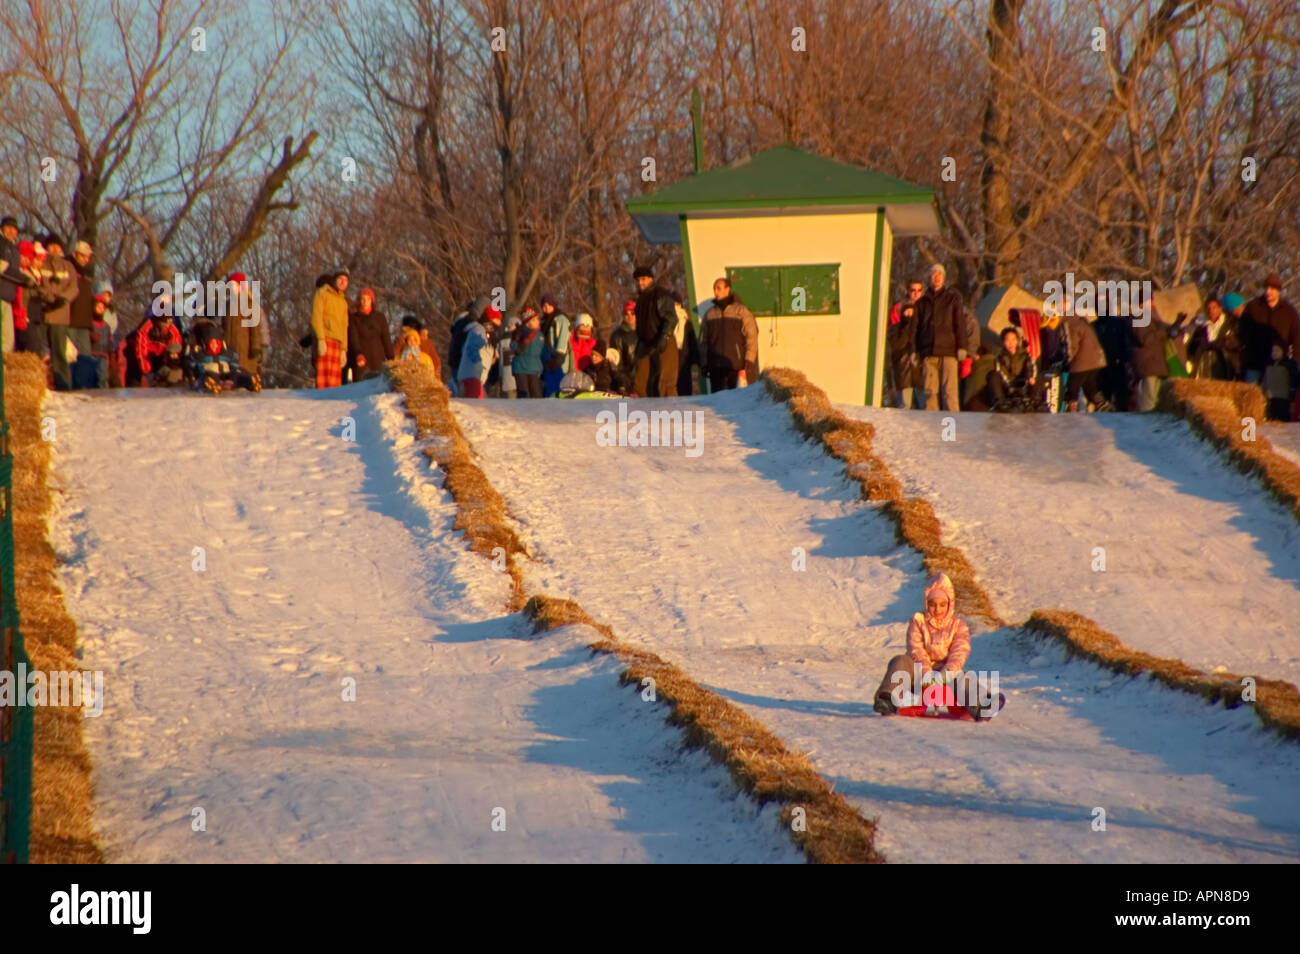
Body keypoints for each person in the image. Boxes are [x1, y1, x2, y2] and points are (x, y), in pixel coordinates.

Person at [872, 573, 999, 720]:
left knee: (961, 676)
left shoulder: (958, 626)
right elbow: (916, 648)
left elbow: (960, 650)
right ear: (927, 604)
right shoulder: (918, 621)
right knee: (900, 660)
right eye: (933, 604)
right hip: (920, 672)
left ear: (950, 604)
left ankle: (982, 705)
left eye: (942, 605)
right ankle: (886, 699)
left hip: (947, 673)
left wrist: (948, 671)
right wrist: (926, 672)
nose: (938, 609)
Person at [914, 263, 966, 411]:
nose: (937, 278)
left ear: (944, 278)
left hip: (949, 351)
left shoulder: (952, 299)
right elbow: (916, 330)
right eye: (934, 274)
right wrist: (915, 350)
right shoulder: (922, 303)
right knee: (930, 393)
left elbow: (960, 324)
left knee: (950, 393)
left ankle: (952, 427)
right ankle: (932, 427)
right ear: (930, 278)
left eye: (940, 274)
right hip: (929, 353)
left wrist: (962, 346)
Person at [1241, 273, 1299, 385]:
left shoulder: (1289, 312)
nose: (1268, 292)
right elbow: (1243, 333)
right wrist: (1246, 355)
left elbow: (1297, 339)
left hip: (1278, 365)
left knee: (1276, 399)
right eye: (1266, 288)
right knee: (1251, 399)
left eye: (1272, 289)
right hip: (1254, 364)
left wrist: (1295, 362)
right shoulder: (1253, 307)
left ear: (1278, 291)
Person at [703, 276, 759, 392]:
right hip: (715, 366)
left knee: (735, 402)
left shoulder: (741, 311)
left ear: (727, 289)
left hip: (735, 366)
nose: (715, 292)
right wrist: (704, 362)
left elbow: (752, 335)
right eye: (714, 289)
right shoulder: (710, 314)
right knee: (716, 403)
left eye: (718, 288)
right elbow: (703, 341)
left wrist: (749, 359)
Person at [38, 235, 80, 390]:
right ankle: (43, 384)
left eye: (57, 246)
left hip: (61, 314)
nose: (54, 249)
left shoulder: (68, 266)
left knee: (59, 352)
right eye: (51, 246)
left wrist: (63, 299)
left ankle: (63, 384)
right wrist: (49, 298)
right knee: (41, 352)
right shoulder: (41, 263)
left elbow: (74, 287)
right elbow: (39, 283)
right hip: (43, 312)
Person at [632, 265, 679, 397]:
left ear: (651, 279)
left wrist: (663, 337)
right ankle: (643, 414)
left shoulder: (660, 294)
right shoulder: (641, 299)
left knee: (665, 384)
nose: (640, 283)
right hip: (646, 343)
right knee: (640, 384)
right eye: (638, 280)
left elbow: (670, 318)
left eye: (643, 279)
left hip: (664, 340)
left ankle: (671, 414)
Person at [125, 298, 183, 386]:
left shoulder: (173, 331)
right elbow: (141, 350)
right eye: (164, 323)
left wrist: (171, 364)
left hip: (159, 355)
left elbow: (174, 349)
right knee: (135, 369)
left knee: (168, 369)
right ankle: (133, 388)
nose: (167, 326)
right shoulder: (146, 328)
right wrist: (146, 368)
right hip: (138, 354)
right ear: (158, 322)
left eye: (169, 323)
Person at [1062, 305, 1110, 411]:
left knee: (1072, 388)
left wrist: (1068, 361)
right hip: (1096, 360)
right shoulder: (1081, 320)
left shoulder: (1069, 322)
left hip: (1082, 362)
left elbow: (1071, 345)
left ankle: (1071, 412)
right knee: (1091, 388)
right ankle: (1105, 407)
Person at [887, 279, 924, 408]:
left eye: (919, 290)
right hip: (903, 362)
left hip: (920, 362)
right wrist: (906, 321)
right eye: (913, 290)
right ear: (908, 291)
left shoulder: (926, 309)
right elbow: (895, 339)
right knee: (904, 404)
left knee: (924, 404)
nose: (916, 293)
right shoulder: (898, 308)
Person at [1187, 296, 1241, 381]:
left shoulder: (1230, 324)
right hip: (1204, 367)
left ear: (1220, 308)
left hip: (1224, 366)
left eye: (1214, 308)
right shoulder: (1201, 327)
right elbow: (1191, 347)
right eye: (1208, 308)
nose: (1211, 311)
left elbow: (1235, 343)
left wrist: (1216, 344)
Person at [224, 272, 268, 376]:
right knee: (232, 375)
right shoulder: (227, 306)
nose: (231, 288)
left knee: (245, 374)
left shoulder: (249, 304)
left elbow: (255, 330)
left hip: (246, 350)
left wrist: (255, 348)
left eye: (233, 285)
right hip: (230, 349)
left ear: (240, 286)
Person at [311, 270, 349, 389]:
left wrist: (344, 349)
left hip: (338, 343)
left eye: (346, 280)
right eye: (340, 279)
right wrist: (321, 339)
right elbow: (316, 316)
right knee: (324, 379)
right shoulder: (322, 293)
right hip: (326, 339)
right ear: (334, 280)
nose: (343, 282)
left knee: (335, 382)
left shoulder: (343, 301)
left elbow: (344, 326)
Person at [346, 286, 392, 382]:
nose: (365, 301)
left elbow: (386, 338)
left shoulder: (380, 317)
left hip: (378, 358)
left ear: (372, 300)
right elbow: (353, 338)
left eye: (367, 299)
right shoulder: (354, 318)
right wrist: (358, 354)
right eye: (362, 299)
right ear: (358, 301)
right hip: (361, 360)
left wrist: (391, 358)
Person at [1128, 310, 1170, 412]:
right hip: (1147, 366)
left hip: (1155, 365)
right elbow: (1146, 339)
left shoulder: (1150, 318)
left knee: (1154, 399)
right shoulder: (1138, 318)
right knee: (1148, 402)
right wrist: (1164, 332)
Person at [985, 326, 1037, 408]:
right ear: (1003, 342)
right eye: (1007, 340)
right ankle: (1001, 402)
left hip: (1023, 386)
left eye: (1013, 340)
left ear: (1017, 341)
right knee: (993, 375)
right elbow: (1000, 373)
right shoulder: (1000, 357)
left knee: (1038, 378)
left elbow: (1030, 367)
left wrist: (1030, 378)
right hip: (1007, 388)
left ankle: (1034, 401)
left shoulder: (1025, 355)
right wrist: (1009, 387)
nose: (1010, 343)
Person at [458, 305, 501, 398]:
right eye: (498, 319)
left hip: (477, 376)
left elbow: (485, 350)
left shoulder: (487, 334)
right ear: (491, 319)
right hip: (472, 375)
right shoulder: (479, 330)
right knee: (475, 404)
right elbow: (472, 348)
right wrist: (479, 363)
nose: (500, 323)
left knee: (479, 402)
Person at [539, 294, 572, 397]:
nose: (546, 308)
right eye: (544, 306)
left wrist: (558, 357)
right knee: (548, 390)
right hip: (546, 361)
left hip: (558, 361)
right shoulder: (543, 321)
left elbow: (563, 338)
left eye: (549, 305)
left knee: (557, 390)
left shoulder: (561, 319)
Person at [511, 308, 544, 398]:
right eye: (534, 320)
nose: (537, 321)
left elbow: (543, 351)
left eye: (537, 319)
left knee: (536, 396)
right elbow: (514, 348)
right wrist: (525, 341)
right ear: (527, 322)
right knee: (524, 396)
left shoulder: (540, 334)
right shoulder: (519, 332)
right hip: (521, 369)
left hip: (534, 369)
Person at [0, 215, 21, 353]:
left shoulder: (14, 249)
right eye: (8, 228)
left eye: (14, 229)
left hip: (8, 297)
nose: (11, 231)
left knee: (8, 340)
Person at [610, 300, 639, 393]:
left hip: (643, 379)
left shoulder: (645, 332)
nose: (629, 316)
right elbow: (616, 362)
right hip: (627, 381)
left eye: (633, 313)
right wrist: (624, 380)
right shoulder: (617, 335)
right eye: (626, 314)